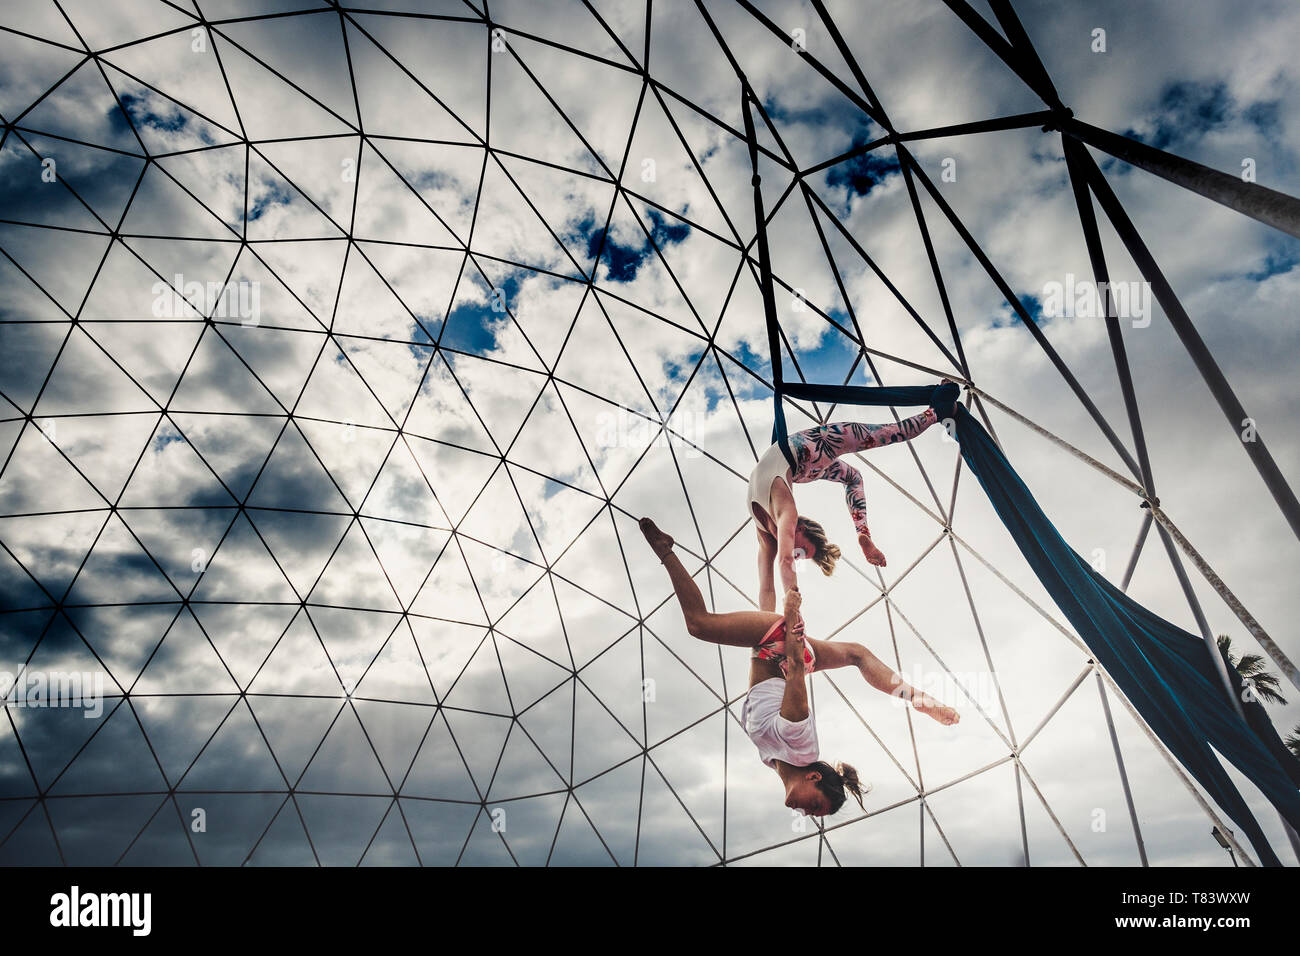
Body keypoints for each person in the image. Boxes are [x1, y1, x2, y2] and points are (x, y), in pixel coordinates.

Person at [638, 517, 960, 817]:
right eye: (815, 805)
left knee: (855, 654)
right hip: (783, 647)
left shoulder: (774, 761)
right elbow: (794, 667)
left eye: (810, 813)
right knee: (699, 624)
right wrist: (791, 611)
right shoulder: (802, 746)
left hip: (773, 654)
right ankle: (665, 550)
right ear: (815, 777)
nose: (804, 812)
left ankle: (767, 540)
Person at [749, 381, 960, 608]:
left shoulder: (776, 526)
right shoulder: (780, 522)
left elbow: (775, 575)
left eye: (802, 553)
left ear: (801, 529)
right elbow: (775, 575)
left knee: (878, 449)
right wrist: (781, 623)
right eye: (803, 552)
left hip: (812, 452)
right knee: (867, 462)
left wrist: (780, 624)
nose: (796, 556)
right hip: (808, 461)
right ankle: (939, 411)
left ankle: (939, 409)